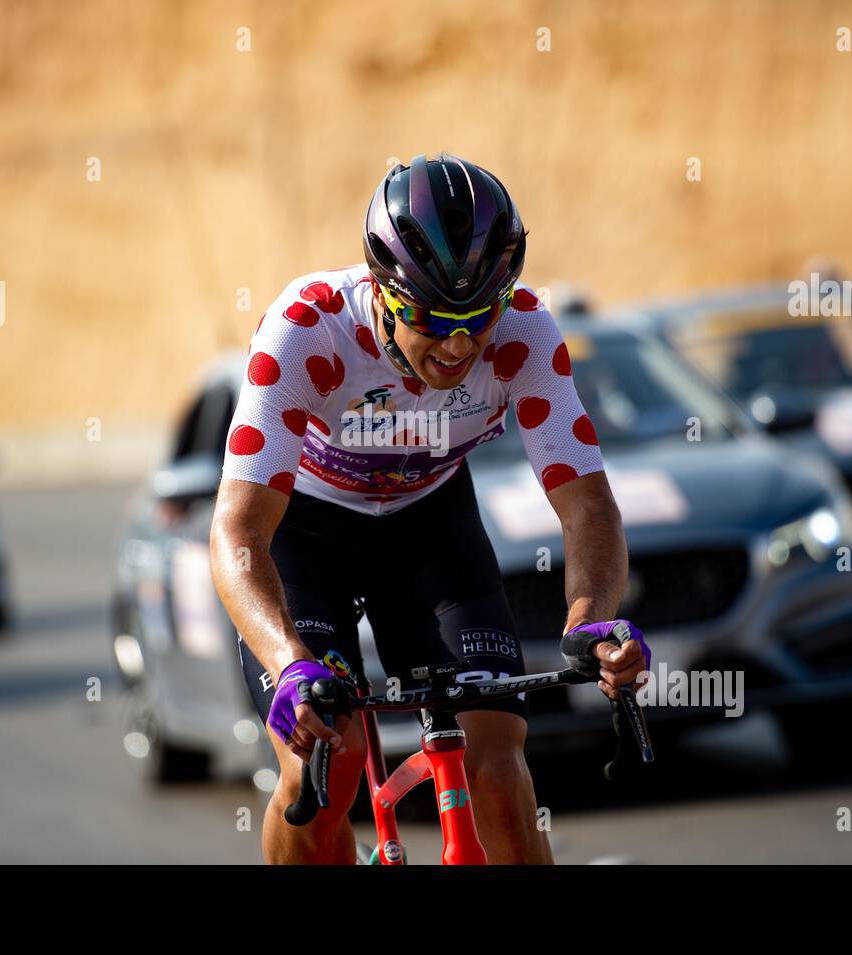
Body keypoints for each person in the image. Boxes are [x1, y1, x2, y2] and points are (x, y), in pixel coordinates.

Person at [209, 153, 647, 864]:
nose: (458, 345)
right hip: (306, 536)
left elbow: (587, 506)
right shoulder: (304, 331)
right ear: (382, 293)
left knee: (499, 769)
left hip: (428, 525)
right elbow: (238, 529)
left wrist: (589, 618)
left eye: (479, 318)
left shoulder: (526, 333)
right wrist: (290, 662)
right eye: (433, 319)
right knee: (324, 761)